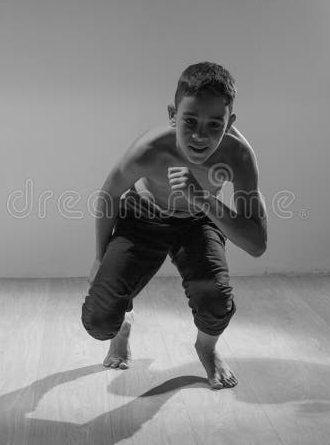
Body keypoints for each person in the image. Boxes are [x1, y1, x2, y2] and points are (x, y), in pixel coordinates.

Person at [81, 62, 267, 390]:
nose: (199, 135)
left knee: (216, 303)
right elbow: (109, 195)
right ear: (172, 114)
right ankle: (124, 323)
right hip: (142, 215)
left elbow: (256, 244)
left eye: (215, 125)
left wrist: (203, 199)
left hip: (199, 221)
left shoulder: (239, 156)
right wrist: (99, 257)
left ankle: (206, 349)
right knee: (98, 321)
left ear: (230, 123)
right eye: (190, 121)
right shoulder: (150, 150)